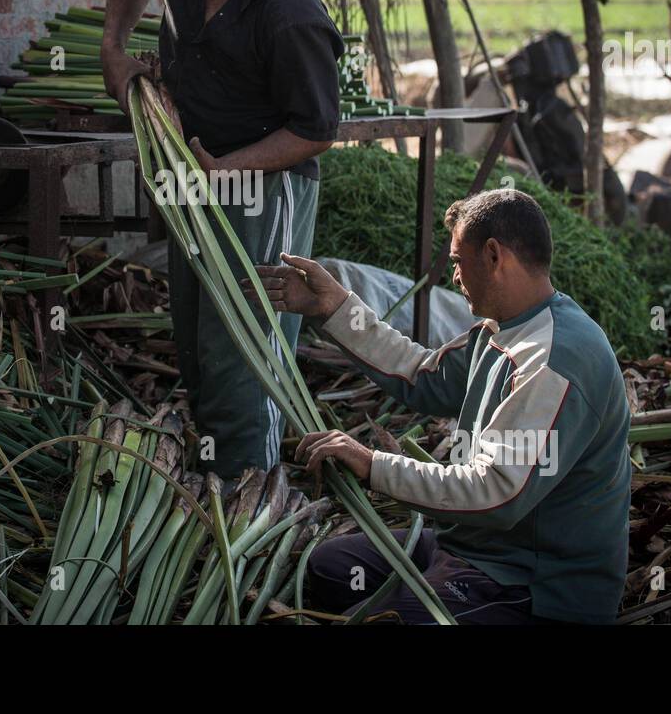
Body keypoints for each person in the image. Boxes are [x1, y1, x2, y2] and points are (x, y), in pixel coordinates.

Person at [247, 189, 631, 624]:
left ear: (492, 255)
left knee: (371, 621)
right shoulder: (503, 329)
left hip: (531, 583)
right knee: (330, 570)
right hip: (471, 545)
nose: (454, 277)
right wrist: (334, 307)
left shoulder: (553, 361)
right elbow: (423, 374)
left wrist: (373, 465)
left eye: (456, 261)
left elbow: (495, 493)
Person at [101, 0, 343, 478]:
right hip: (193, 174)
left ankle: (252, 499)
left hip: (264, 186)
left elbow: (316, 132)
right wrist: (113, 48)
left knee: (245, 348)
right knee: (197, 339)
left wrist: (227, 168)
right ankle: (213, 484)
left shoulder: (292, 14)